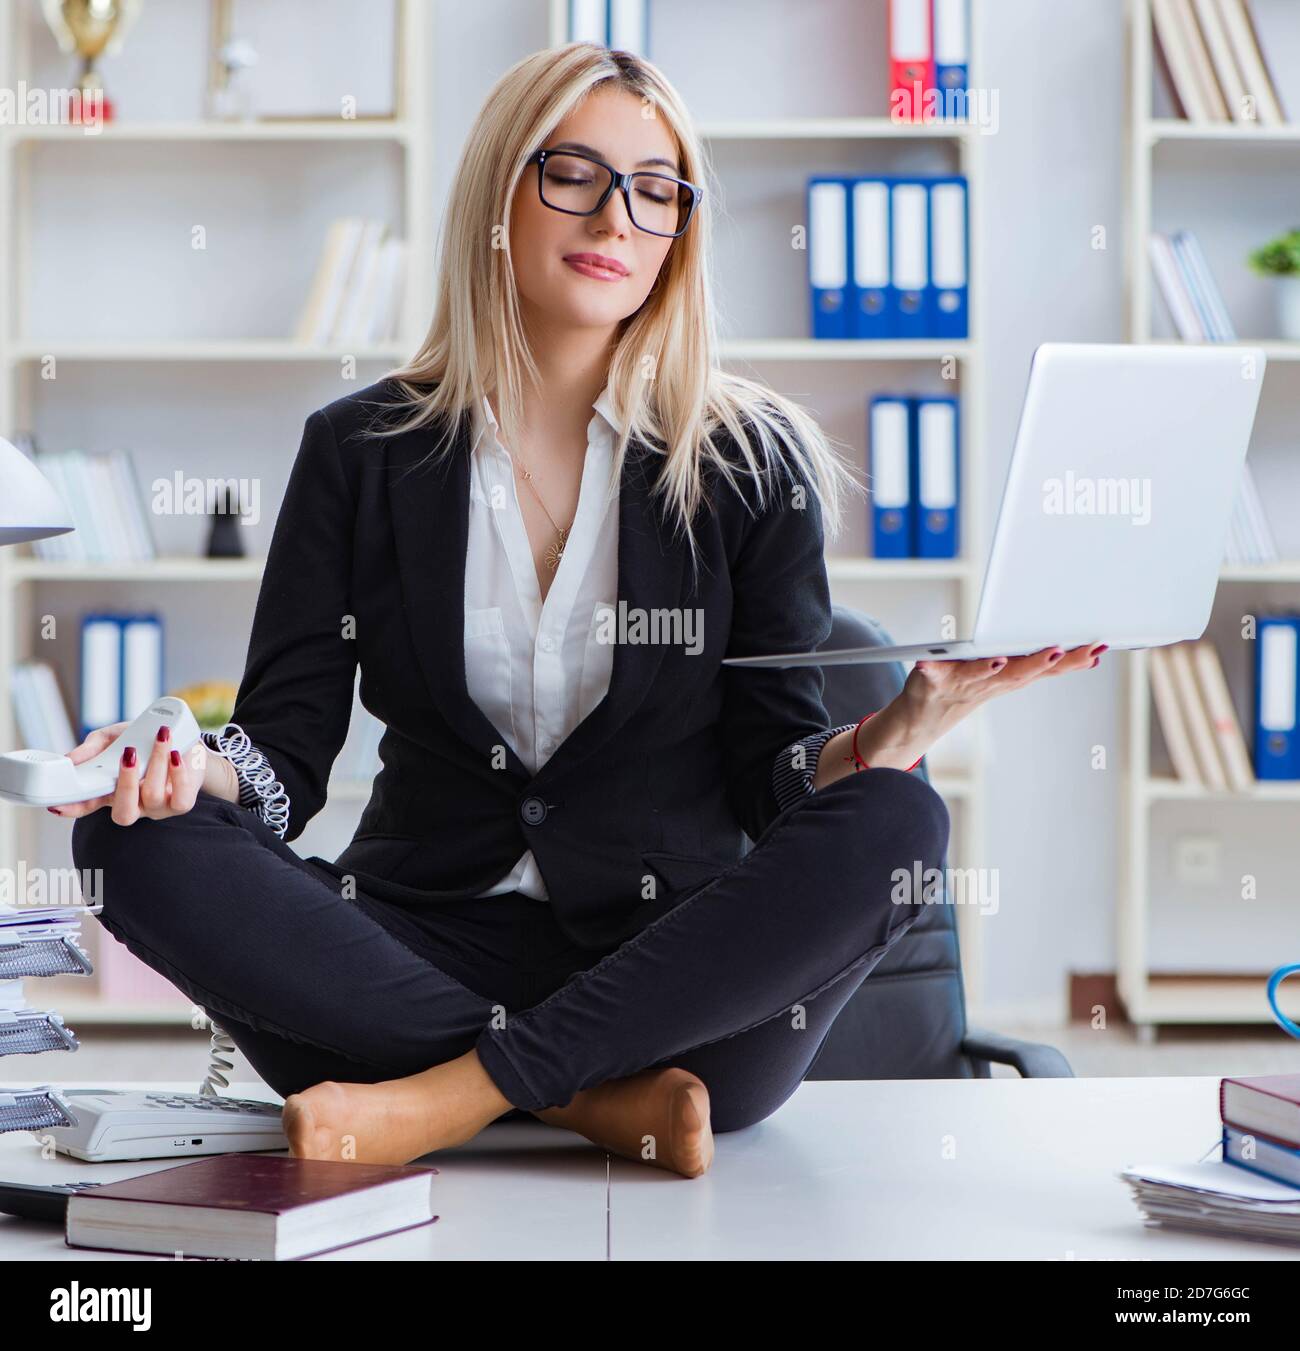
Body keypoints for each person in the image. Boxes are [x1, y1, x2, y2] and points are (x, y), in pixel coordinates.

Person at [62, 44, 1103, 1180]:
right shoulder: (359, 454)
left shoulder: (749, 464)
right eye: (575, 173)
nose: (617, 215)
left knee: (900, 822)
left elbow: (772, 774)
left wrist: (888, 737)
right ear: (499, 191)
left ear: (679, 230)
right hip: (412, 940)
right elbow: (282, 758)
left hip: (671, 973)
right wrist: (175, 761)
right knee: (124, 843)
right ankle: (595, 1103)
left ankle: (449, 1098)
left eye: (655, 189)